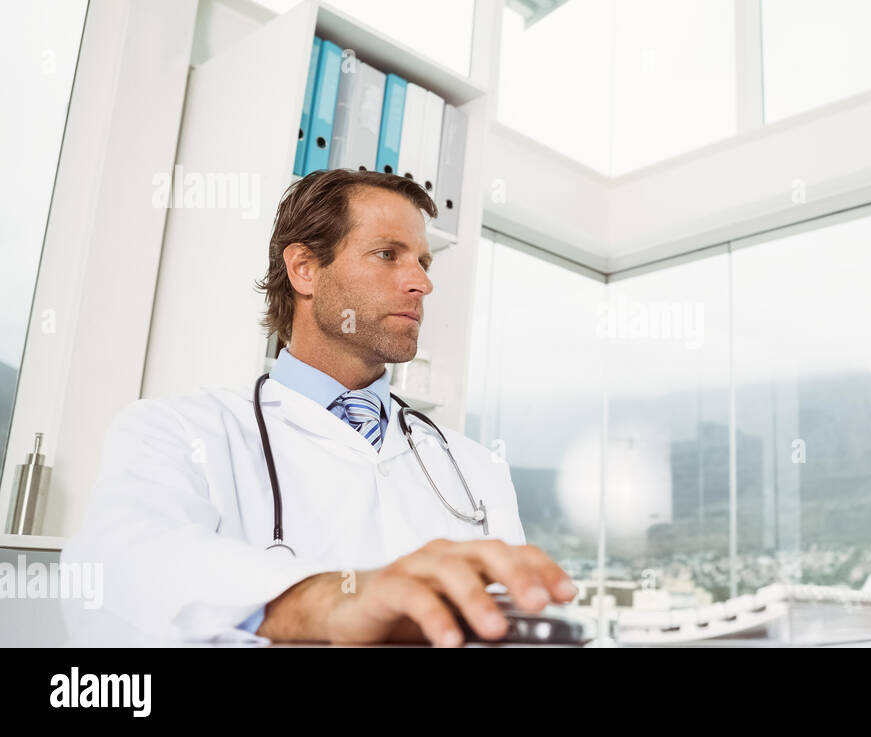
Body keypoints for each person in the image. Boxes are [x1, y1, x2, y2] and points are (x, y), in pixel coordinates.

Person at [60, 169, 575, 647]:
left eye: (423, 261)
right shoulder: (179, 431)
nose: (421, 282)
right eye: (388, 254)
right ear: (305, 269)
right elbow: (122, 567)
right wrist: (326, 599)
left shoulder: (475, 468)